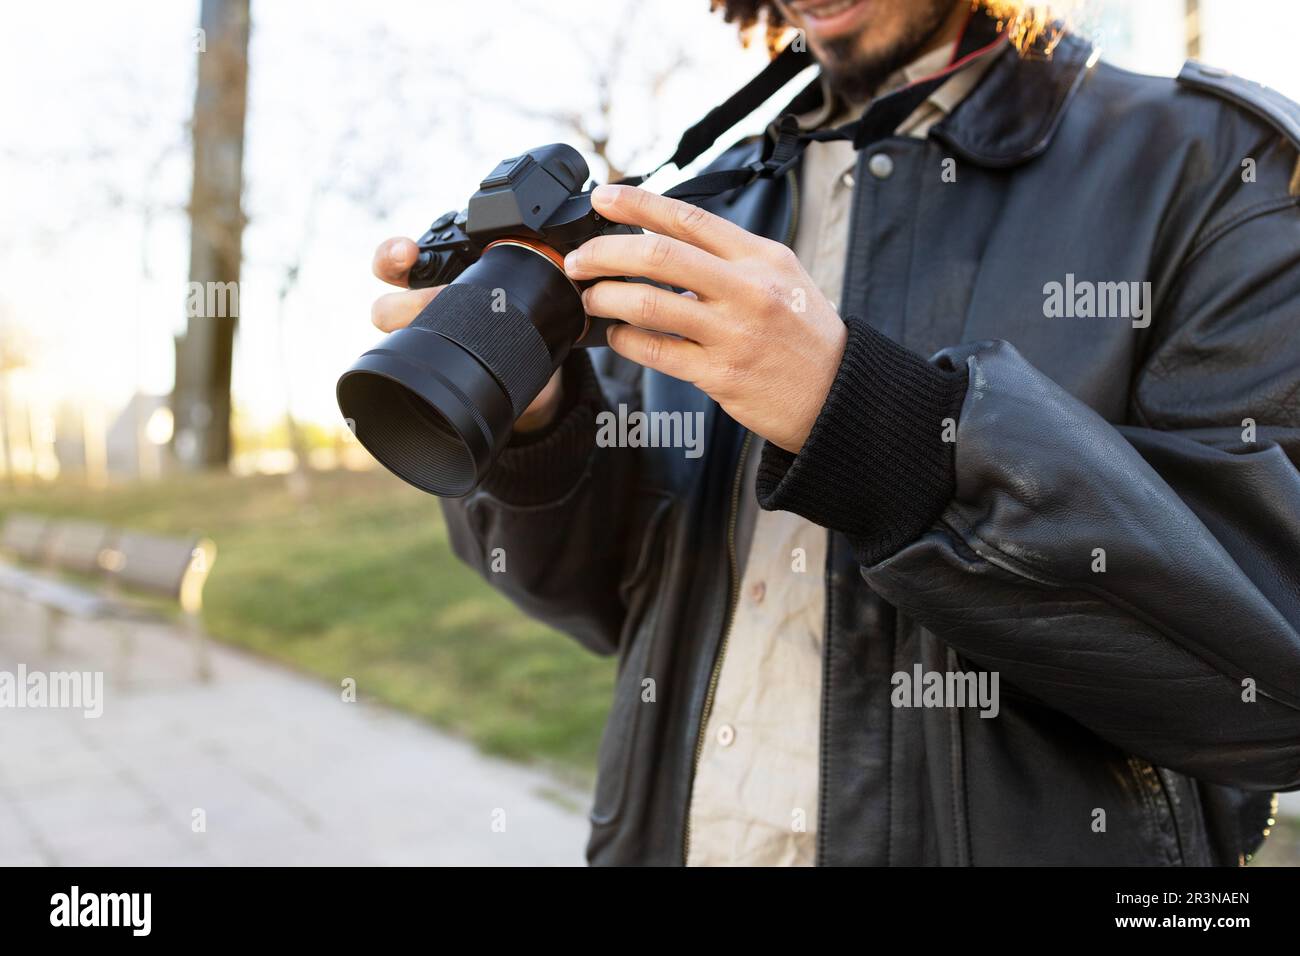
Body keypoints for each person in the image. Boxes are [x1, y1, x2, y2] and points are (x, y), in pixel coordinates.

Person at [369, 0, 1300, 866]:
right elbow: (607, 603)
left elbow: (1273, 674)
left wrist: (874, 425)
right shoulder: (703, 209)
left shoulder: (1217, 165)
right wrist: (542, 425)